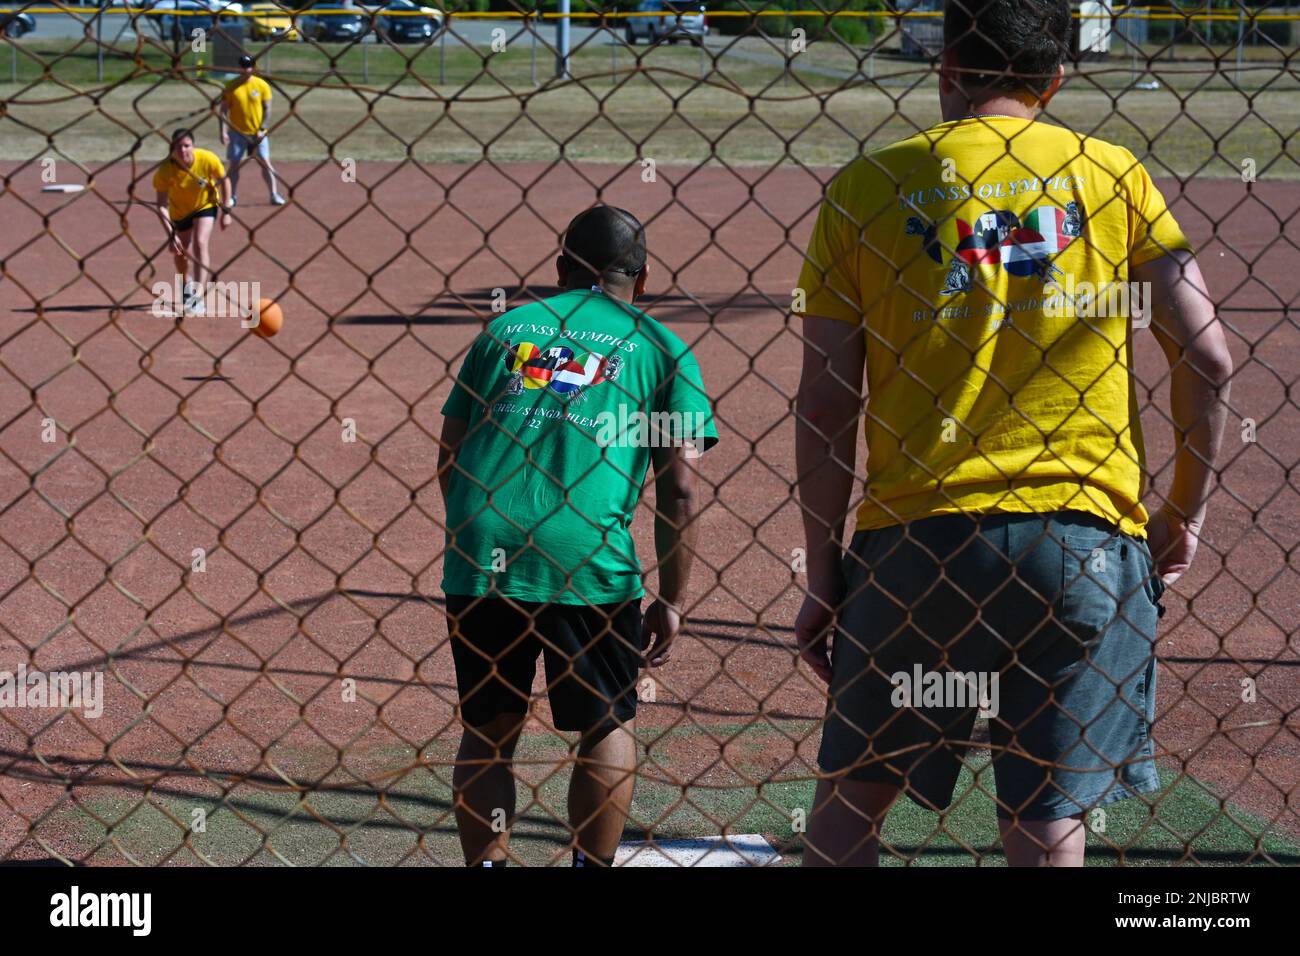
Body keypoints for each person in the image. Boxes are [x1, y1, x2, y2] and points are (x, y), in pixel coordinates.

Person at [793, 0, 1233, 866]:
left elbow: (826, 398)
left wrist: (824, 570)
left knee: (855, 795)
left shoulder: (868, 185)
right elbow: (1208, 357)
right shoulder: (1111, 173)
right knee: (1046, 811)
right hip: (1084, 534)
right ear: (1055, 80)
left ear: (948, 69)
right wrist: (1183, 509)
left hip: (919, 537)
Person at [437, 205, 718, 866]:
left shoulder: (505, 330)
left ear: (560, 269)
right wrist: (672, 598)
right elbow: (679, 487)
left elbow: (450, 451)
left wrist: (480, 539)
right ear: (642, 279)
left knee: (488, 730)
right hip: (585, 553)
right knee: (606, 720)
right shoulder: (659, 347)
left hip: (484, 547)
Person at [152, 128, 232, 316]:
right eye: (178, 146)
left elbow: (224, 180)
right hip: (180, 212)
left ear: (193, 146)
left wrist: (227, 210)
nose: (183, 150)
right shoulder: (165, 170)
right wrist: (171, 235)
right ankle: (185, 283)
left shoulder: (207, 159)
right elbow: (161, 206)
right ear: (172, 149)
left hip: (205, 205)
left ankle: (198, 296)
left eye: (187, 145)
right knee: (180, 252)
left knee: (200, 243)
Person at [219, 54, 286, 207]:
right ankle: (231, 196)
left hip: (258, 133)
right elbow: (223, 111)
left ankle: (274, 194)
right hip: (237, 133)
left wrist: (262, 128)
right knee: (234, 164)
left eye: (248, 66)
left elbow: (267, 108)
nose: (246, 69)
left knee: (265, 163)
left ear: (253, 67)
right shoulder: (231, 86)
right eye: (243, 66)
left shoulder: (262, 85)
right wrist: (222, 131)